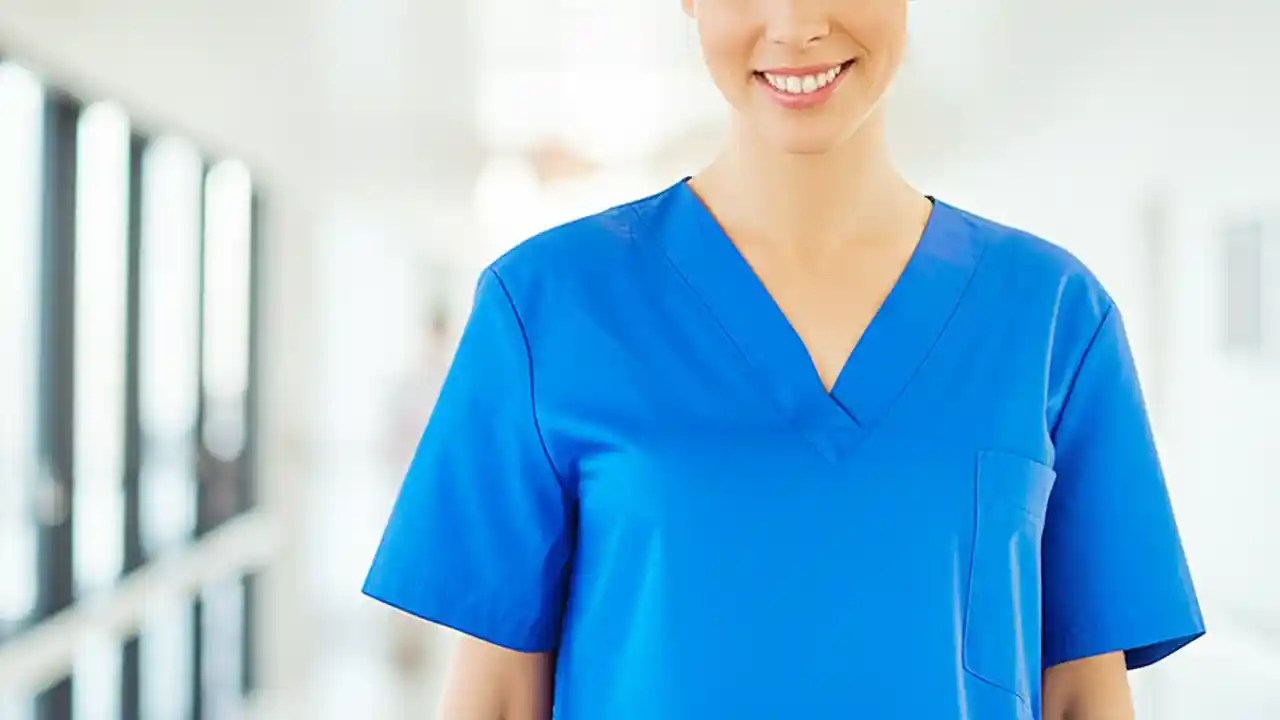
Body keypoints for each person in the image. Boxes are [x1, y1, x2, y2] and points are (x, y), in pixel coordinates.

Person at [361, 0, 1206, 718]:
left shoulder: (1051, 315)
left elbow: (1082, 696)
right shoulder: (547, 305)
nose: (797, 24)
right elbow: (497, 696)